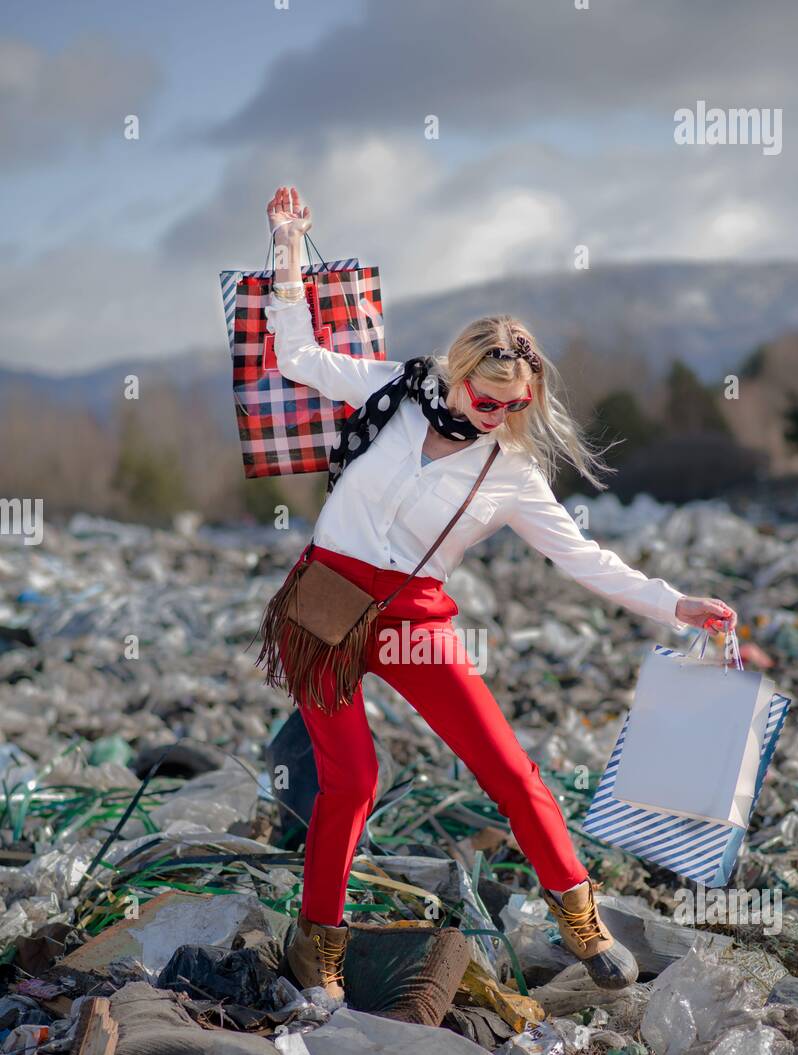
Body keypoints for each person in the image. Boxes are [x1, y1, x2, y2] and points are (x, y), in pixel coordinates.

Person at [259, 184, 737, 1006]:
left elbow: (580, 558)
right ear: (459, 372)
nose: (498, 416)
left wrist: (675, 604)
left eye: (515, 407)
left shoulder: (511, 473)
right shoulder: (390, 391)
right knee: (353, 780)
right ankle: (317, 949)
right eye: (487, 401)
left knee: (508, 768)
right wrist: (289, 248)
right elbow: (296, 354)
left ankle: (580, 916)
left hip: (413, 619)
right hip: (326, 607)